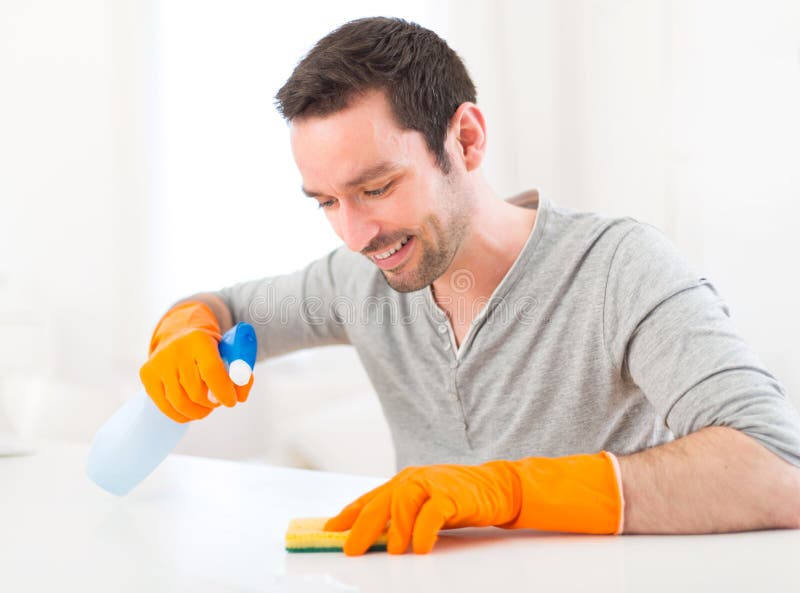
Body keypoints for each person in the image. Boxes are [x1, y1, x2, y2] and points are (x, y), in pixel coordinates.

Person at [139, 17, 800, 556]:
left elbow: (777, 467)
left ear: (466, 139)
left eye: (376, 188)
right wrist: (184, 329)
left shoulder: (620, 267)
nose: (355, 233)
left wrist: (506, 491)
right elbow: (222, 308)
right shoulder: (355, 281)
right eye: (326, 202)